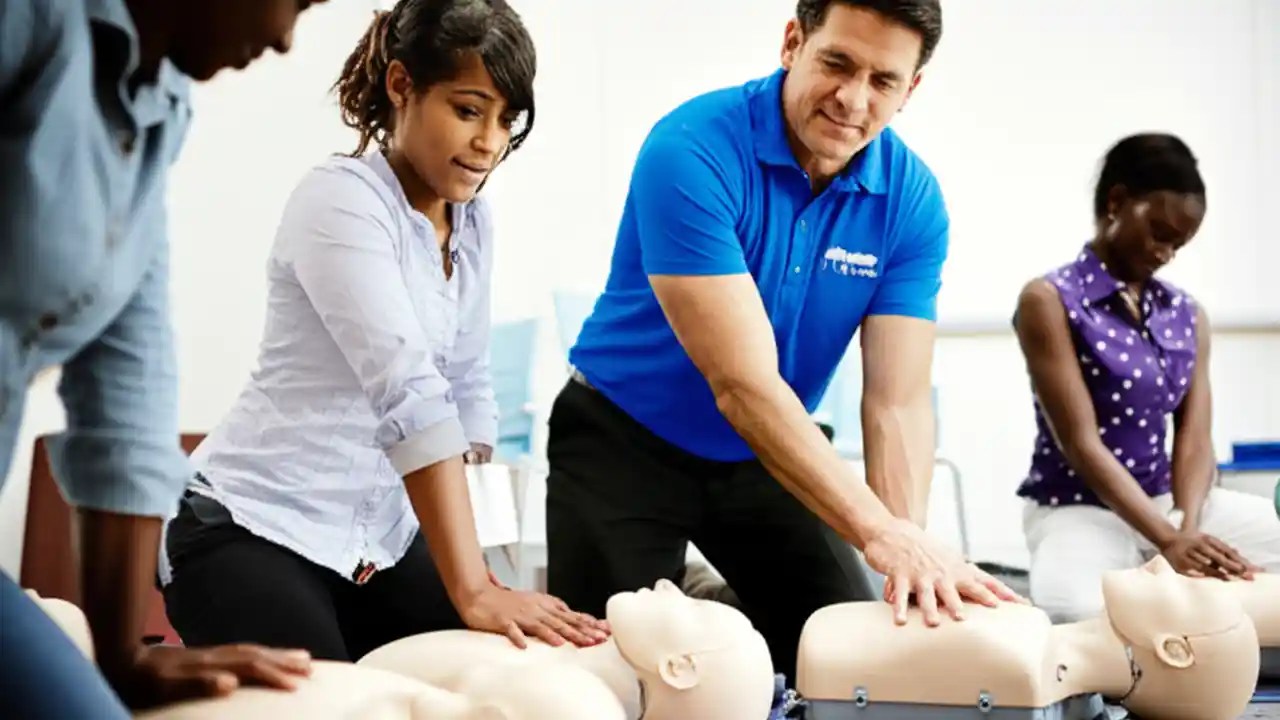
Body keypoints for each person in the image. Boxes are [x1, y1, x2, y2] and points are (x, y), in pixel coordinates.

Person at [544, 0, 1021, 681]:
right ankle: (701, 602)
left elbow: (897, 404)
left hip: (767, 455)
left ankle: (717, 602)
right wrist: (879, 534)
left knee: (853, 653)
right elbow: (741, 385)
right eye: (837, 63)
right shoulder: (691, 150)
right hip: (624, 440)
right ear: (793, 42)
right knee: (620, 679)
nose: (853, 99)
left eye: (883, 80)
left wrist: (905, 548)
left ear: (910, 90)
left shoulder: (911, 203)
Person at [160, 0, 608, 665]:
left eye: (505, 119)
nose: (489, 141)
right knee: (341, 700)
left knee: (511, 671)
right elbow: (412, 391)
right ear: (401, 86)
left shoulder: (474, 221)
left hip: (379, 547)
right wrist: (471, 590)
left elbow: (466, 381)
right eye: (467, 109)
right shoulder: (339, 201)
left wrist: (481, 575)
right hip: (251, 529)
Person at [0, 1, 328, 717]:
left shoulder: (158, 109)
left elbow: (129, 377)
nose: (282, 41)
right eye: (297, 3)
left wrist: (123, 658)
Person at [1013, 132, 1280, 622]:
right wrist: (1167, 540)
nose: (1165, 253)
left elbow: (1196, 437)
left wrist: (1188, 527)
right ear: (1117, 202)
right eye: (1159, 232)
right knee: (1071, 610)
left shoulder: (1187, 312)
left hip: (1173, 503)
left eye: (1179, 244)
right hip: (1080, 506)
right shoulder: (1049, 301)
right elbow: (1080, 442)